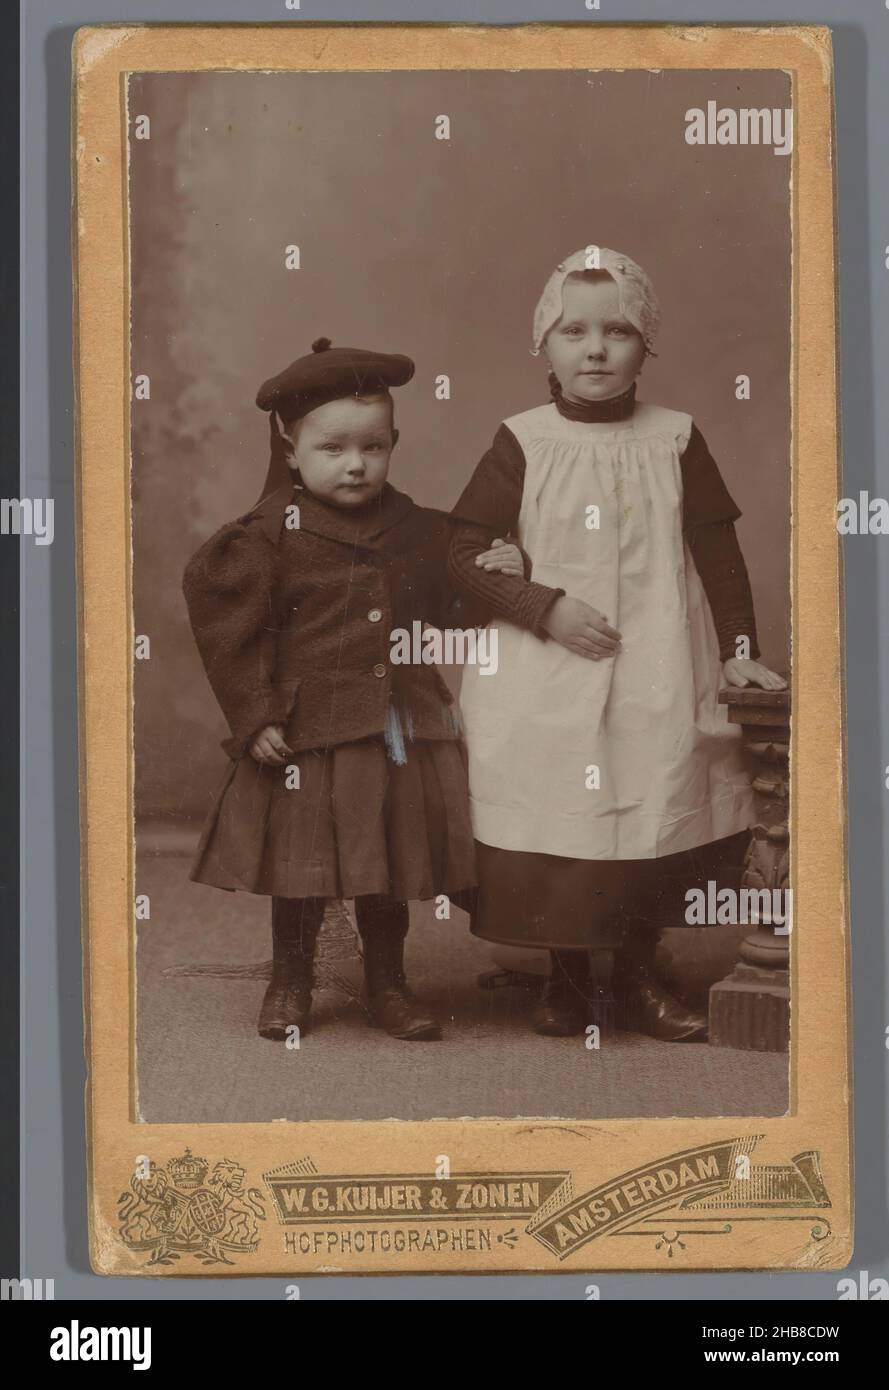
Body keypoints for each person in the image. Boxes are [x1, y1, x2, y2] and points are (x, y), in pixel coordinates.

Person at [447, 247, 787, 1041]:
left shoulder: (676, 439)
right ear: (545, 343)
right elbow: (461, 554)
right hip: (547, 666)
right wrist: (539, 604)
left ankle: (635, 972)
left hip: (657, 662)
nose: (594, 349)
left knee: (648, 800)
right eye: (573, 331)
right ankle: (566, 979)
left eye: (618, 331)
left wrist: (737, 646)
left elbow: (717, 553)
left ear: (646, 346)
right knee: (565, 813)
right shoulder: (521, 440)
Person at [183, 338, 523, 1042]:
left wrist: (498, 573)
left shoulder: (420, 531)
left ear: (393, 443)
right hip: (309, 732)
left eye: (372, 447)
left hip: (398, 731)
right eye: (332, 448)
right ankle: (291, 979)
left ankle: (389, 982)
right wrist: (255, 716)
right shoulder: (267, 537)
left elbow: (447, 616)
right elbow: (234, 637)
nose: (355, 463)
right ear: (289, 449)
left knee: (386, 862)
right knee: (303, 867)